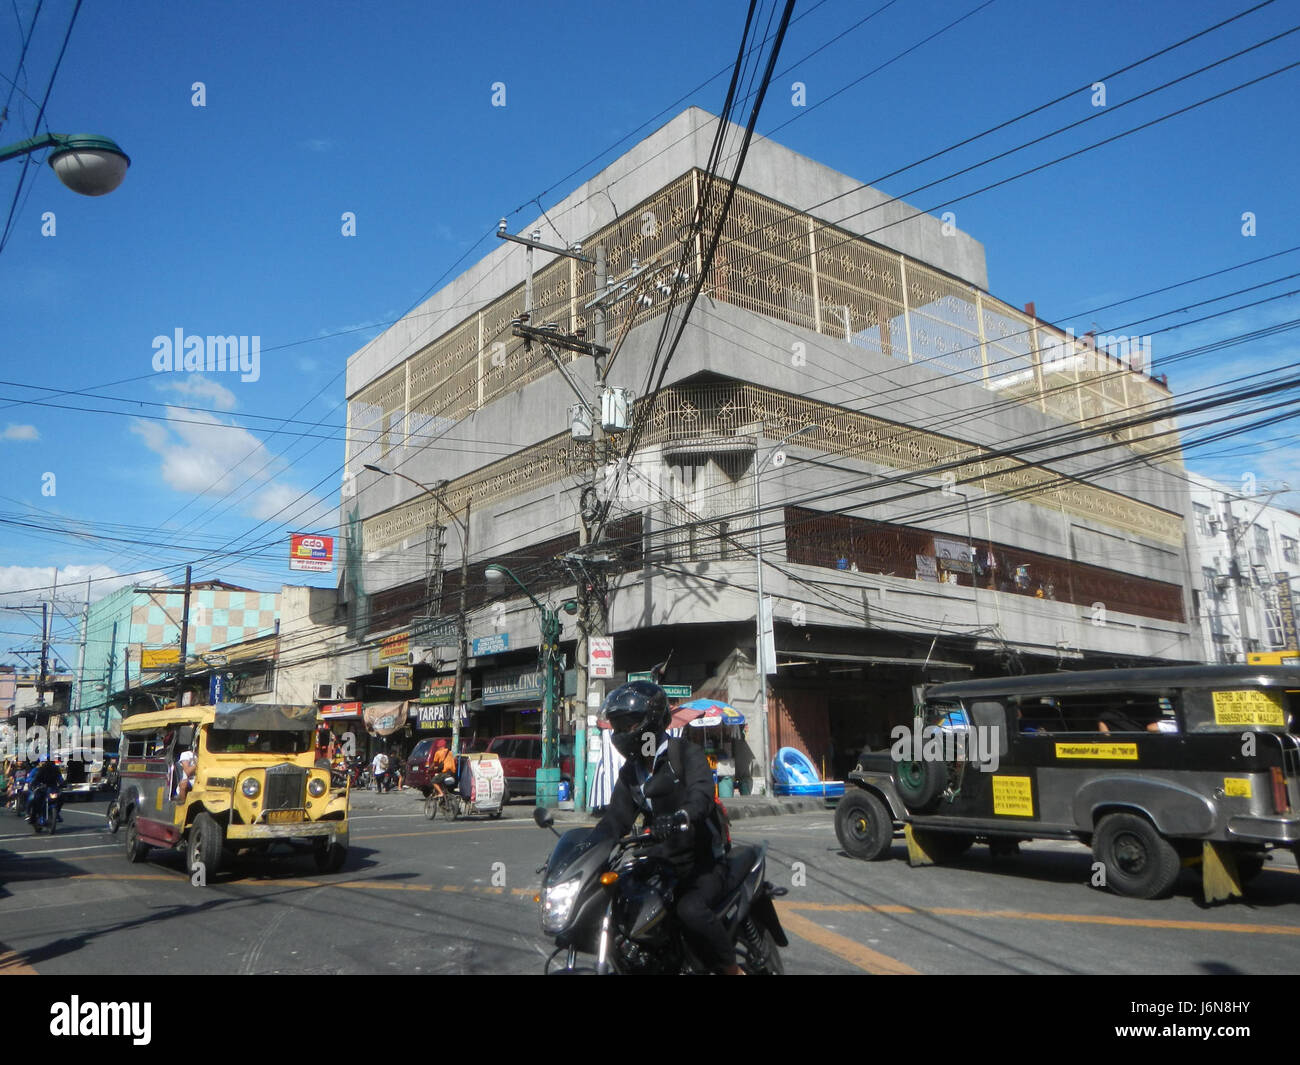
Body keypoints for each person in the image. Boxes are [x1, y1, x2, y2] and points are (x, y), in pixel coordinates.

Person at [591, 681, 741, 976]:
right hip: (662, 864)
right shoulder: (631, 773)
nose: (623, 732)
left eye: (629, 724)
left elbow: (702, 795)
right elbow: (615, 820)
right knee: (630, 910)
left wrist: (681, 816)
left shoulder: (685, 754)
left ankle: (731, 969)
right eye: (618, 726)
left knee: (690, 911)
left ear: (653, 723)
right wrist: (586, 849)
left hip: (701, 862)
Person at [26, 758, 64, 824]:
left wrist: (63, 783)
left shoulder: (55, 769)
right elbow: (32, 779)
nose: (46, 763)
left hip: (52, 788)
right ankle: (32, 816)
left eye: (48, 761)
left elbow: (60, 778)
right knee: (34, 799)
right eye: (44, 761)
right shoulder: (37, 770)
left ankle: (57, 813)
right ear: (40, 762)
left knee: (61, 797)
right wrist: (33, 783)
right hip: (40, 789)